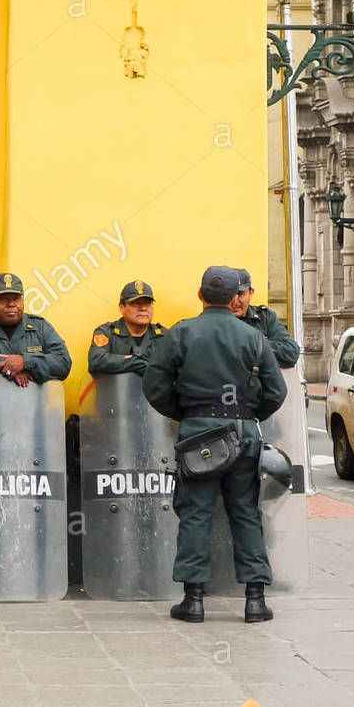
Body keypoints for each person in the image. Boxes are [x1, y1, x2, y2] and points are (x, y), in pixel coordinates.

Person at [143, 265, 288, 624]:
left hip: (198, 432)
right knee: (246, 512)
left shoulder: (181, 334)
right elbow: (276, 392)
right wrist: (246, 413)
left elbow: (154, 386)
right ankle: (255, 600)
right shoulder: (253, 337)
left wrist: (187, 414)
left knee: (196, 514)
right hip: (245, 433)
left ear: (200, 295)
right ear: (234, 298)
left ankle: (193, 601)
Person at [87, 280, 168, 376]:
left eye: (147, 303)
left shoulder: (164, 336)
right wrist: (141, 363)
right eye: (135, 303)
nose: (143, 308)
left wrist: (126, 360)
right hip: (115, 390)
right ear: (121, 308)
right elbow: (96, 361)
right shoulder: (107, 332)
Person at [231, 272, 300, 368]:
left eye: (240, 294)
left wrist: (253, 345)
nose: (235, 301)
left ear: (251, 293)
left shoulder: (265, 317)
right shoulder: (218, 321)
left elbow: (290, 353)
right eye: (230, 295)